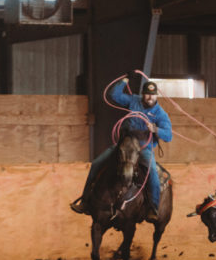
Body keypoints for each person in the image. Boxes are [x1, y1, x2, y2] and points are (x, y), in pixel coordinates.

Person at [70, 77, 172, 221]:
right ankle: (85, 201)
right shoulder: (134, 100)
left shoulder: (160, 114)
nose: (150, 97)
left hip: (143, 148)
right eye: (147, 94)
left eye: (153, 94)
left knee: (153, 175)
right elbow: (114, 95)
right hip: (125, 144)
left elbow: (168, 136)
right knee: (97, 163)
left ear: (156, 95)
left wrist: (155, 129)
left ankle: (153, 208)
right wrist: (124, 81)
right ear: (143, 94)